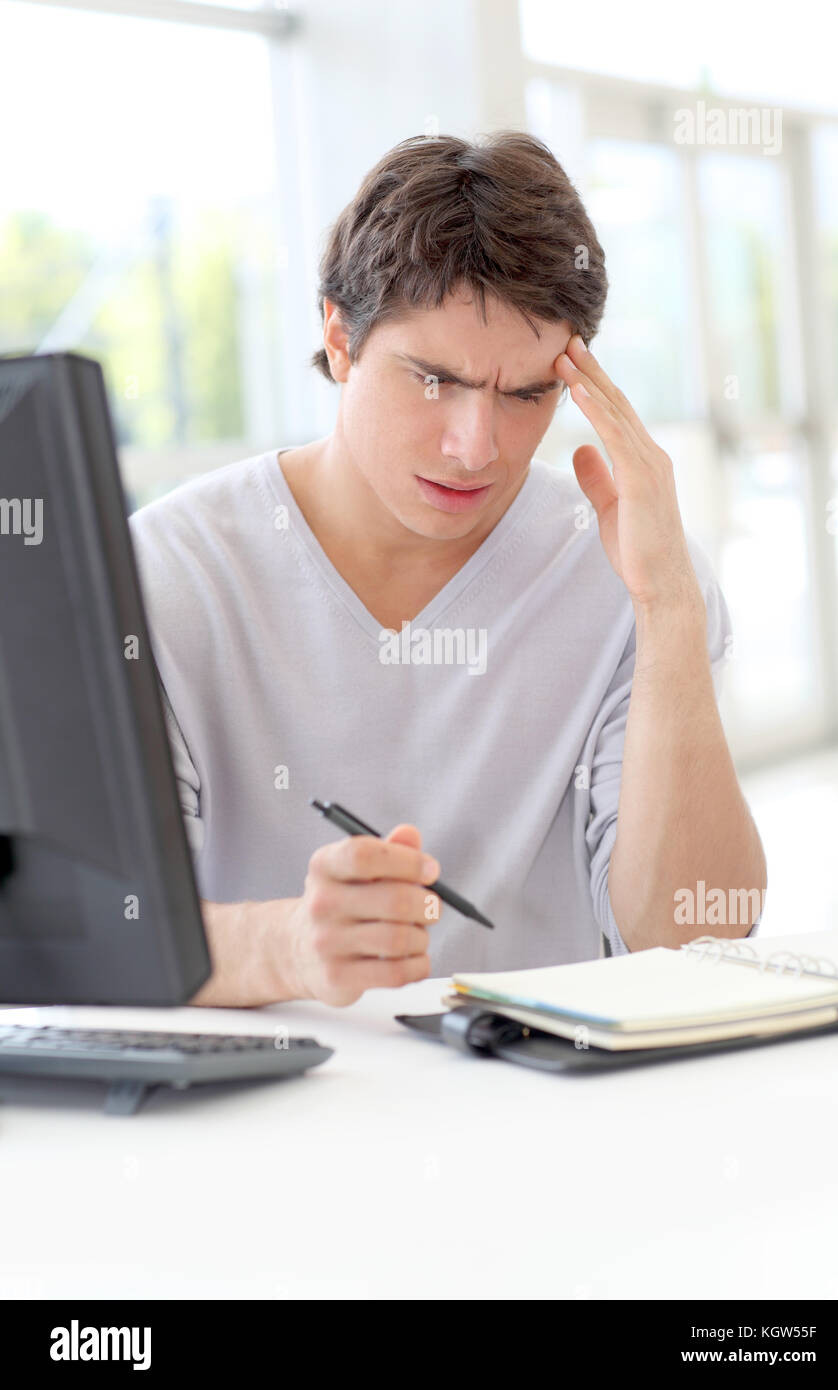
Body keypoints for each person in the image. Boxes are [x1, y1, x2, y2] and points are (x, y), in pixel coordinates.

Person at [129, 130, 766, 1009]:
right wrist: (281, 948)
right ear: (340, 339)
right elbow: (86, 935)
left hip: (562, 1114)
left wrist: (668, 612)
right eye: (432, 380)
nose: (477, 448)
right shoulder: (166, 577)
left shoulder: (631, 573)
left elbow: (695, 942)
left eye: (527, 393)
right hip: (266, 1122)